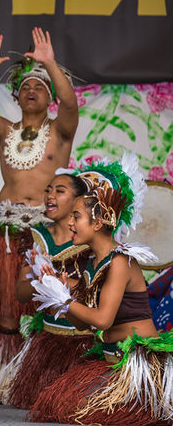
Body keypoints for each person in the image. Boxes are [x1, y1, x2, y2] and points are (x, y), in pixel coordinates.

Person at [0, 28, 79, 402]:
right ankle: (0, 385)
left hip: (47, 231)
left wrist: (48, 62)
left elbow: (71, 104)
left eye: (41, 86)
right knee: (6, 309)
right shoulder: (5, 132)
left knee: (47, 304)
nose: (32, 90)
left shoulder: (60, 133)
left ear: (49, 97)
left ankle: (40, 383)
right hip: (6, 228)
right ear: (16, 96)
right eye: (26, 86)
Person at [27, 154, 171, 425]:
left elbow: (103, 319)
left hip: (136, 363)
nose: (70, 223)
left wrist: (66, 300)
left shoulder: (120, 262)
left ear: (98, 222)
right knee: (58, 402)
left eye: (76, 217)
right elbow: (84, 325)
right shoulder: (91, 263)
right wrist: (56, 292)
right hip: (109, 358)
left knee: (93, 413)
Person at [4, 173, 92, 409]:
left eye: (60, 190)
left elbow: (96, 293)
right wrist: (41, 280)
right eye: (48, 190)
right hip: (49, 342)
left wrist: (58, 283)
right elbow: (20, 293)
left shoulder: (92, 239)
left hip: (85, 343)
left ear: (79, 199)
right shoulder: (37, 238)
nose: (50, 196)